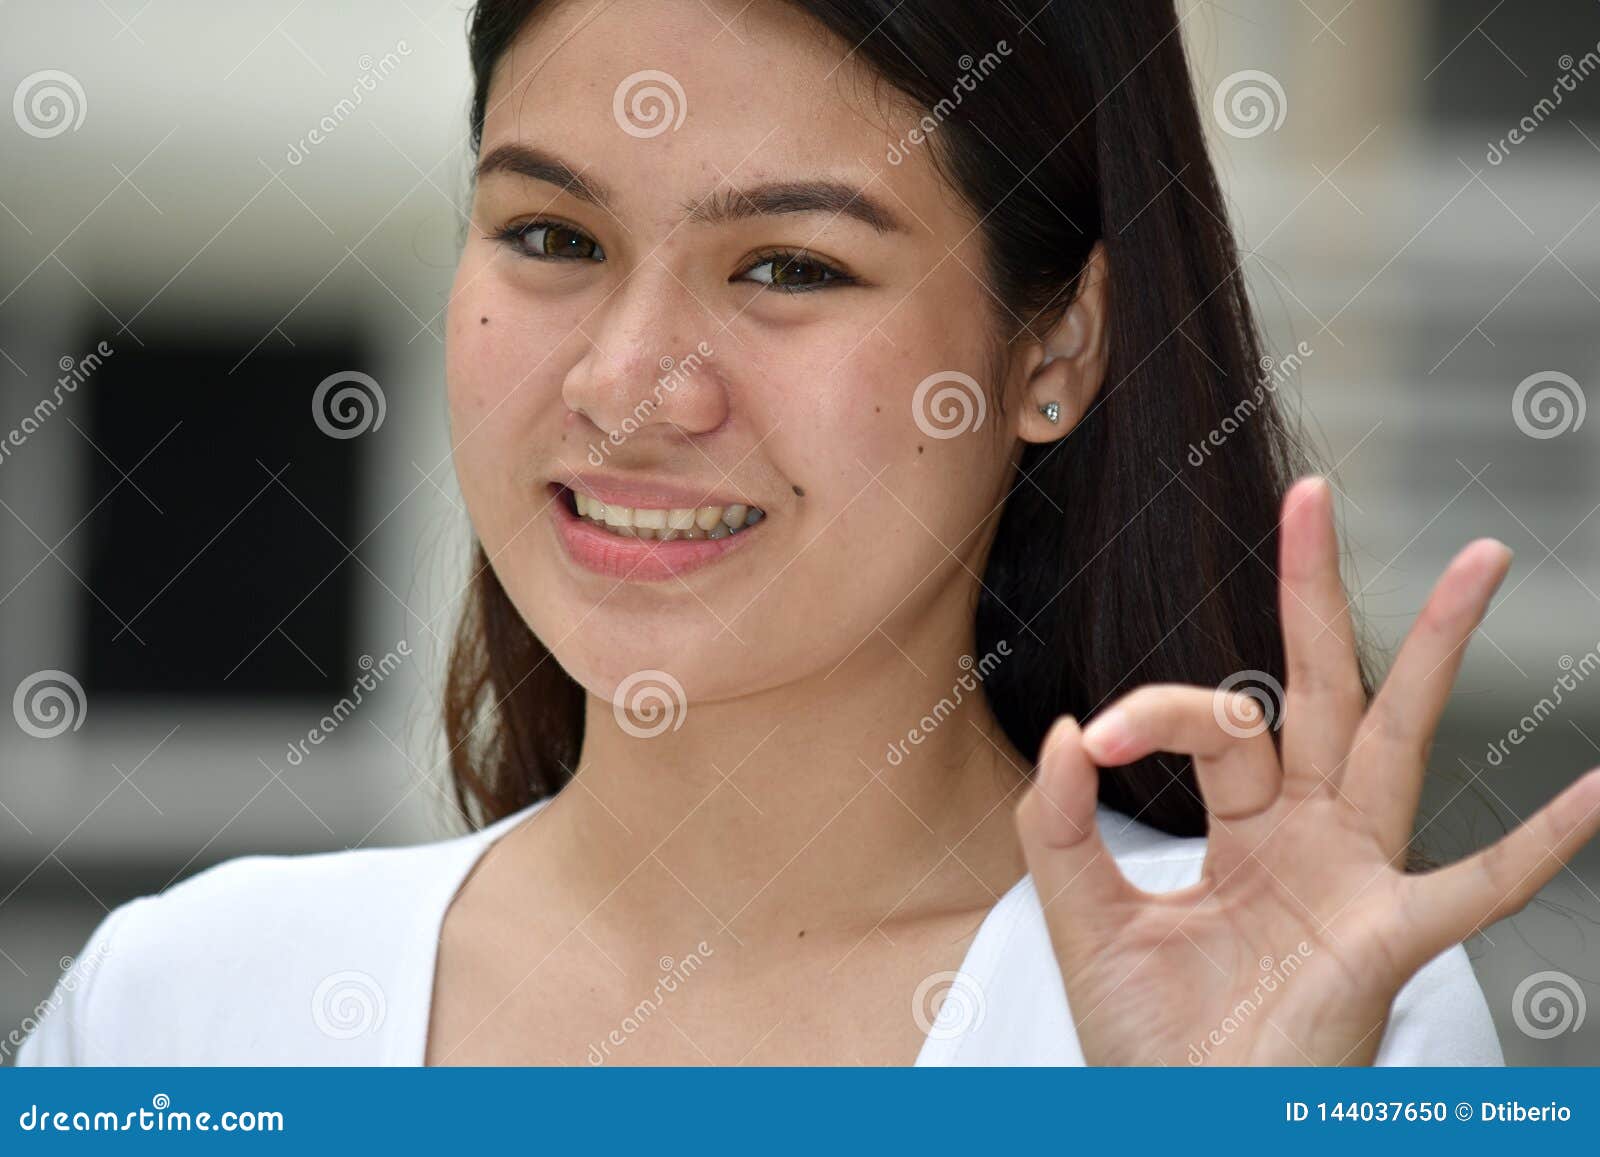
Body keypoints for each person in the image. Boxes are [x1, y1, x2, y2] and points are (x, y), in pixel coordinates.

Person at [19, 0, 1598, 1067]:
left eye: (790, 267)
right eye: (552, 235)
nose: (628, 384)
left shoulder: (1301, 1011)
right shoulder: (178, 1015)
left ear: (1055, 344)